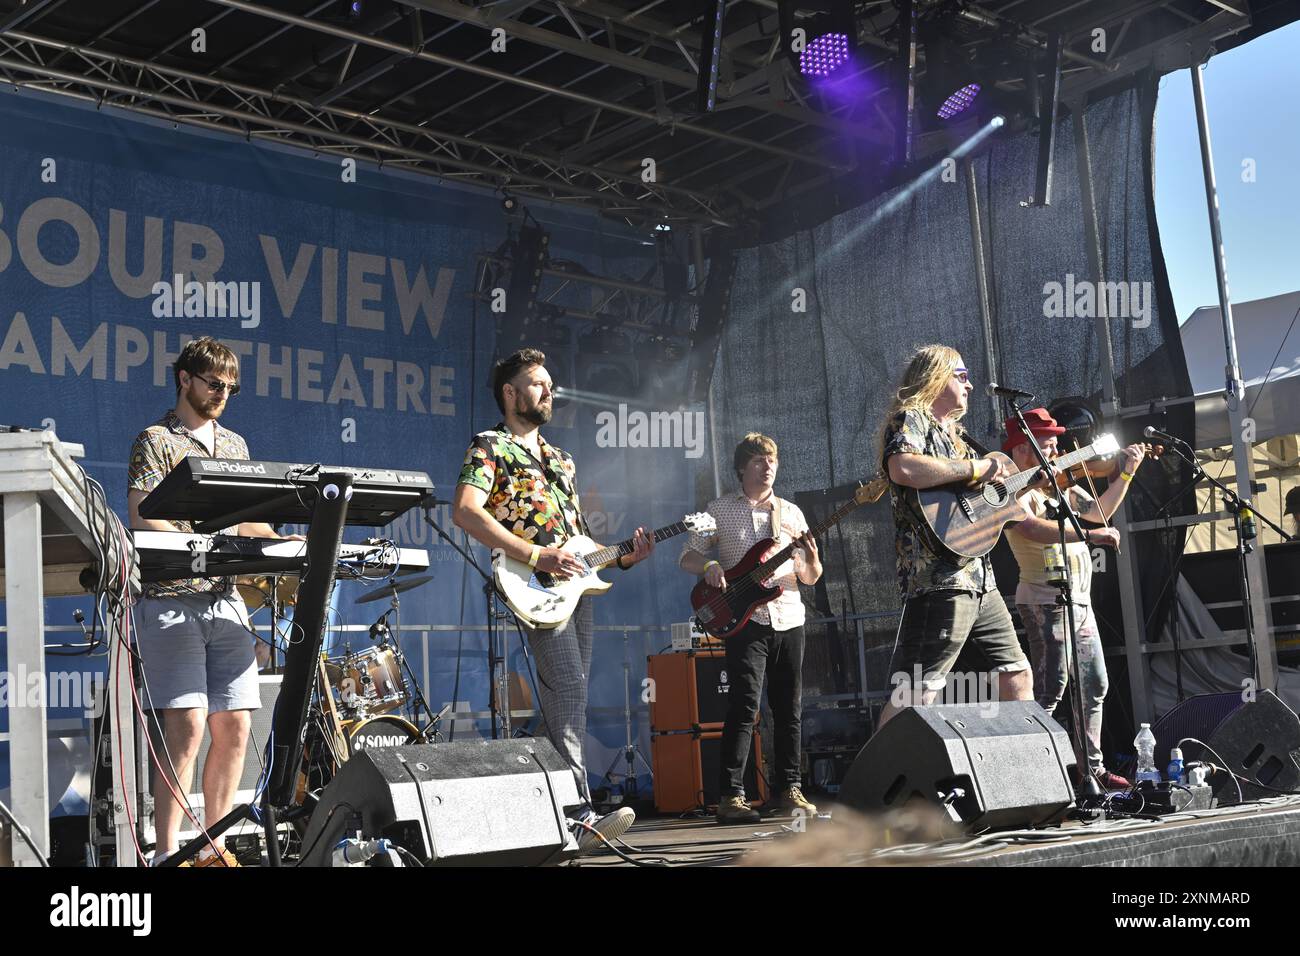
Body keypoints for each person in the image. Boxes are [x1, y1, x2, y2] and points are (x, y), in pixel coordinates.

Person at [452, 347, 654, 852]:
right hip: (534, 585)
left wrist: (624, 556)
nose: (549, 391)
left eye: (550, 383)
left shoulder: (562, 459)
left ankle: (537, 810)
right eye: (538, 383)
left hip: (575, 585)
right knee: (566, 687)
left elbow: (580, 538)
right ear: (510, 392)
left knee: (569, 696)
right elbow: (465, 512)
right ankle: (576, 813)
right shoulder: (489, 447)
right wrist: (535, 555)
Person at [874, 344, 1119, 731]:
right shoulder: (912, 419)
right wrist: (979, 467)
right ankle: (875, 783)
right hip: (939, 579)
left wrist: (1024, 487)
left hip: (979, 578)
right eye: (962, 376)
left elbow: (983, 506)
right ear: (936, 377)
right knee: (918, 691)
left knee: (1018, 676)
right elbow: (903, 467)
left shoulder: (957, 436)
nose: (969, 385)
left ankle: (1021, 780)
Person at [128, 337, 299, 867]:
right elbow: (141, 514)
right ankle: (165, 853)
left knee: (238, 725)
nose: (223, 393)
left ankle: (212, 846)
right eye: (214, 383)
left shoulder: (236, 447)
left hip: (226, 603)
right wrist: (198, 551)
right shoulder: (155, 440)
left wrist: (290, 546)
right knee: (188, 725)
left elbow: (250, 523)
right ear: (185, 379)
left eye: (231, 387)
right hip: (171, 599)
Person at [680, 433, 822, 824]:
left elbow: (810, 576)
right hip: (746, 620)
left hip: (790, 617)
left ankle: (789, 789)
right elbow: (688, 556)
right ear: (742, 467)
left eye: (772, 459)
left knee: (788, 709)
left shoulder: (791, 513)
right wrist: (709, 567)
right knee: (744, 705)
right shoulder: (718, 509)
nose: (768, 466)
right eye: (759, 460)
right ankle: (731, 796)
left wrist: (810, 558)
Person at [1004, 409, 1143, 789]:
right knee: (1052, 687)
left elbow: (1102, 512)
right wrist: (1089, 537)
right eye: (1046, 442)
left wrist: (1127, 471)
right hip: (1044, 599)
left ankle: (1091, 770)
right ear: (1022, 448)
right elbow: (1035, 530)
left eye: (1054, 442)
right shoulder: (1012, 494)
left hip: (1079, 601)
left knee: (1094, 684)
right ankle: (1033, 772)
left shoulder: (1061, 489)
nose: (1055, 448)